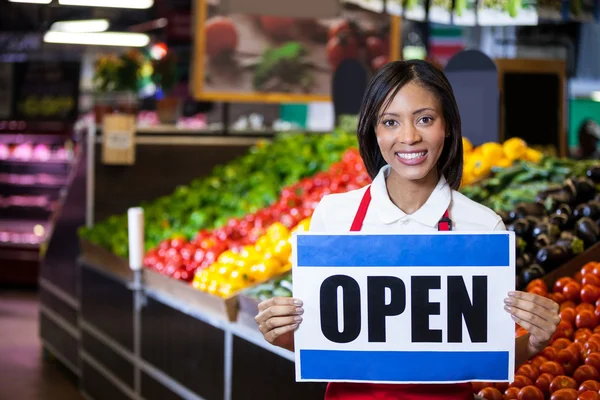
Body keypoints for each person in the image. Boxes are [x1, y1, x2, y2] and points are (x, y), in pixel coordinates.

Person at [255, 60, 560, 399]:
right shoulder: (333, 216)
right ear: (375, 130)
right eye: (391, 122)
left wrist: (533, 342)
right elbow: (321, 346)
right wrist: (279, 331)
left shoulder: (483, 227)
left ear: (447, 126)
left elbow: (485, 358)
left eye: (425, 119)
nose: (409, 137)